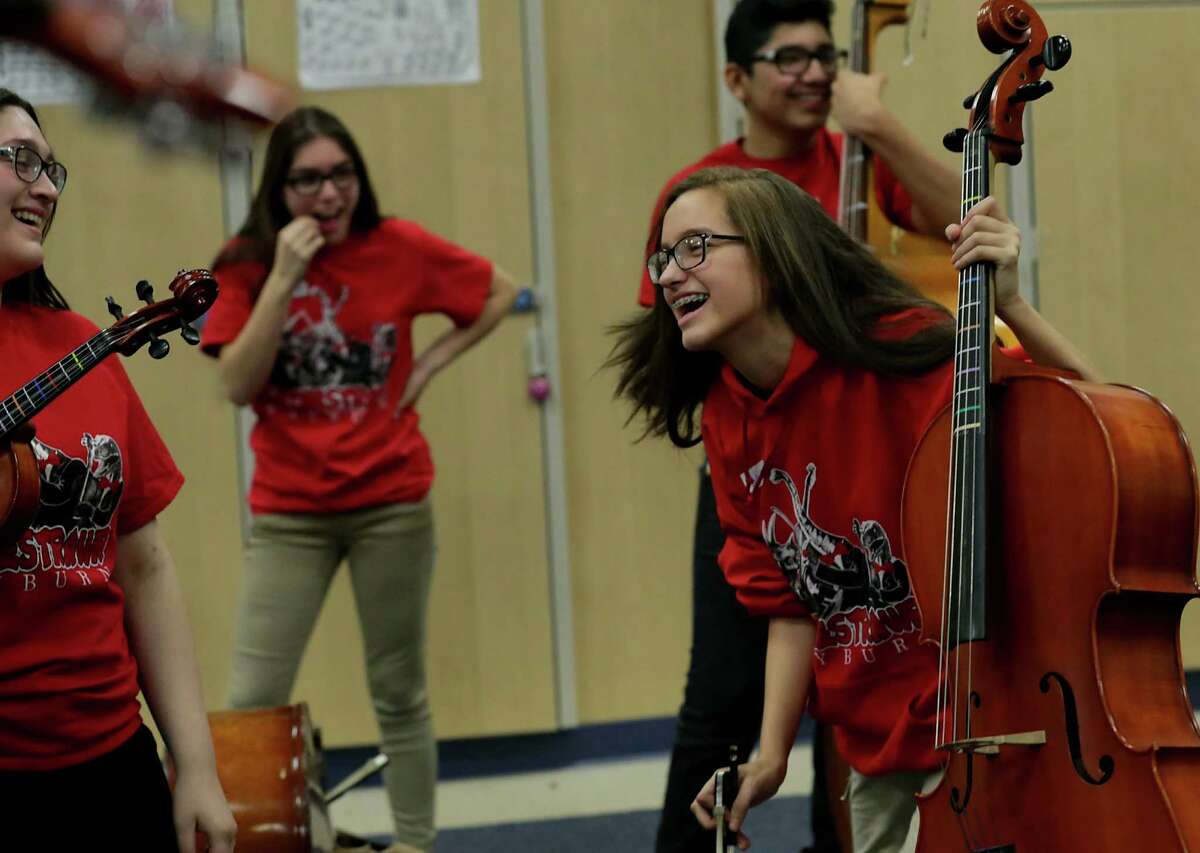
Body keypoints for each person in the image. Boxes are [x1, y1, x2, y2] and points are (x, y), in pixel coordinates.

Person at [611, 166, 1098, 853]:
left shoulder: (905, 348)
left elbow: (1100, 436)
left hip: (996, 724)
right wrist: (772, 754)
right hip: (874, 748)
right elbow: (790, 600)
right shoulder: (727, 416)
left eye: (695, 247)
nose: (667, 275)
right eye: (663, 256)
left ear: (775, 253)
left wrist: (1014, 307)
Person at [636, 2, 959, 850]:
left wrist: (879, 125)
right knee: (723, 690)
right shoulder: (701, 196)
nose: (815, 72)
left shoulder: (856, 154)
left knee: (862, 668)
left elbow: (956, 219)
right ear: (738, 79)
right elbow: (684, 336)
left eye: (826, 54)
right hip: (763, 460)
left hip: (866, 441)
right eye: (790, 58)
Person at [198, 106, 518, 853]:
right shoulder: (243, 263)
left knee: (399, 689)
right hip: (290, 513)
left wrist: (432, 361)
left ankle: (415, 842)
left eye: (341, 175)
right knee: (250, 701)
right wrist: (283, 278)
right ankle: (272, 829)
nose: (328, 195)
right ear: (280, 190)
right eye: (307, 180)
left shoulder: (398, 245)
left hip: (391, 502)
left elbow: (498, 291)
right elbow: (237, 383)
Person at [0, 88, 236, 852]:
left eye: (51, 169)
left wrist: (194, 763)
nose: (44, 186)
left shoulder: (83, 348)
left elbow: (146, 564)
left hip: (109, 759)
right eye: (21, 160)